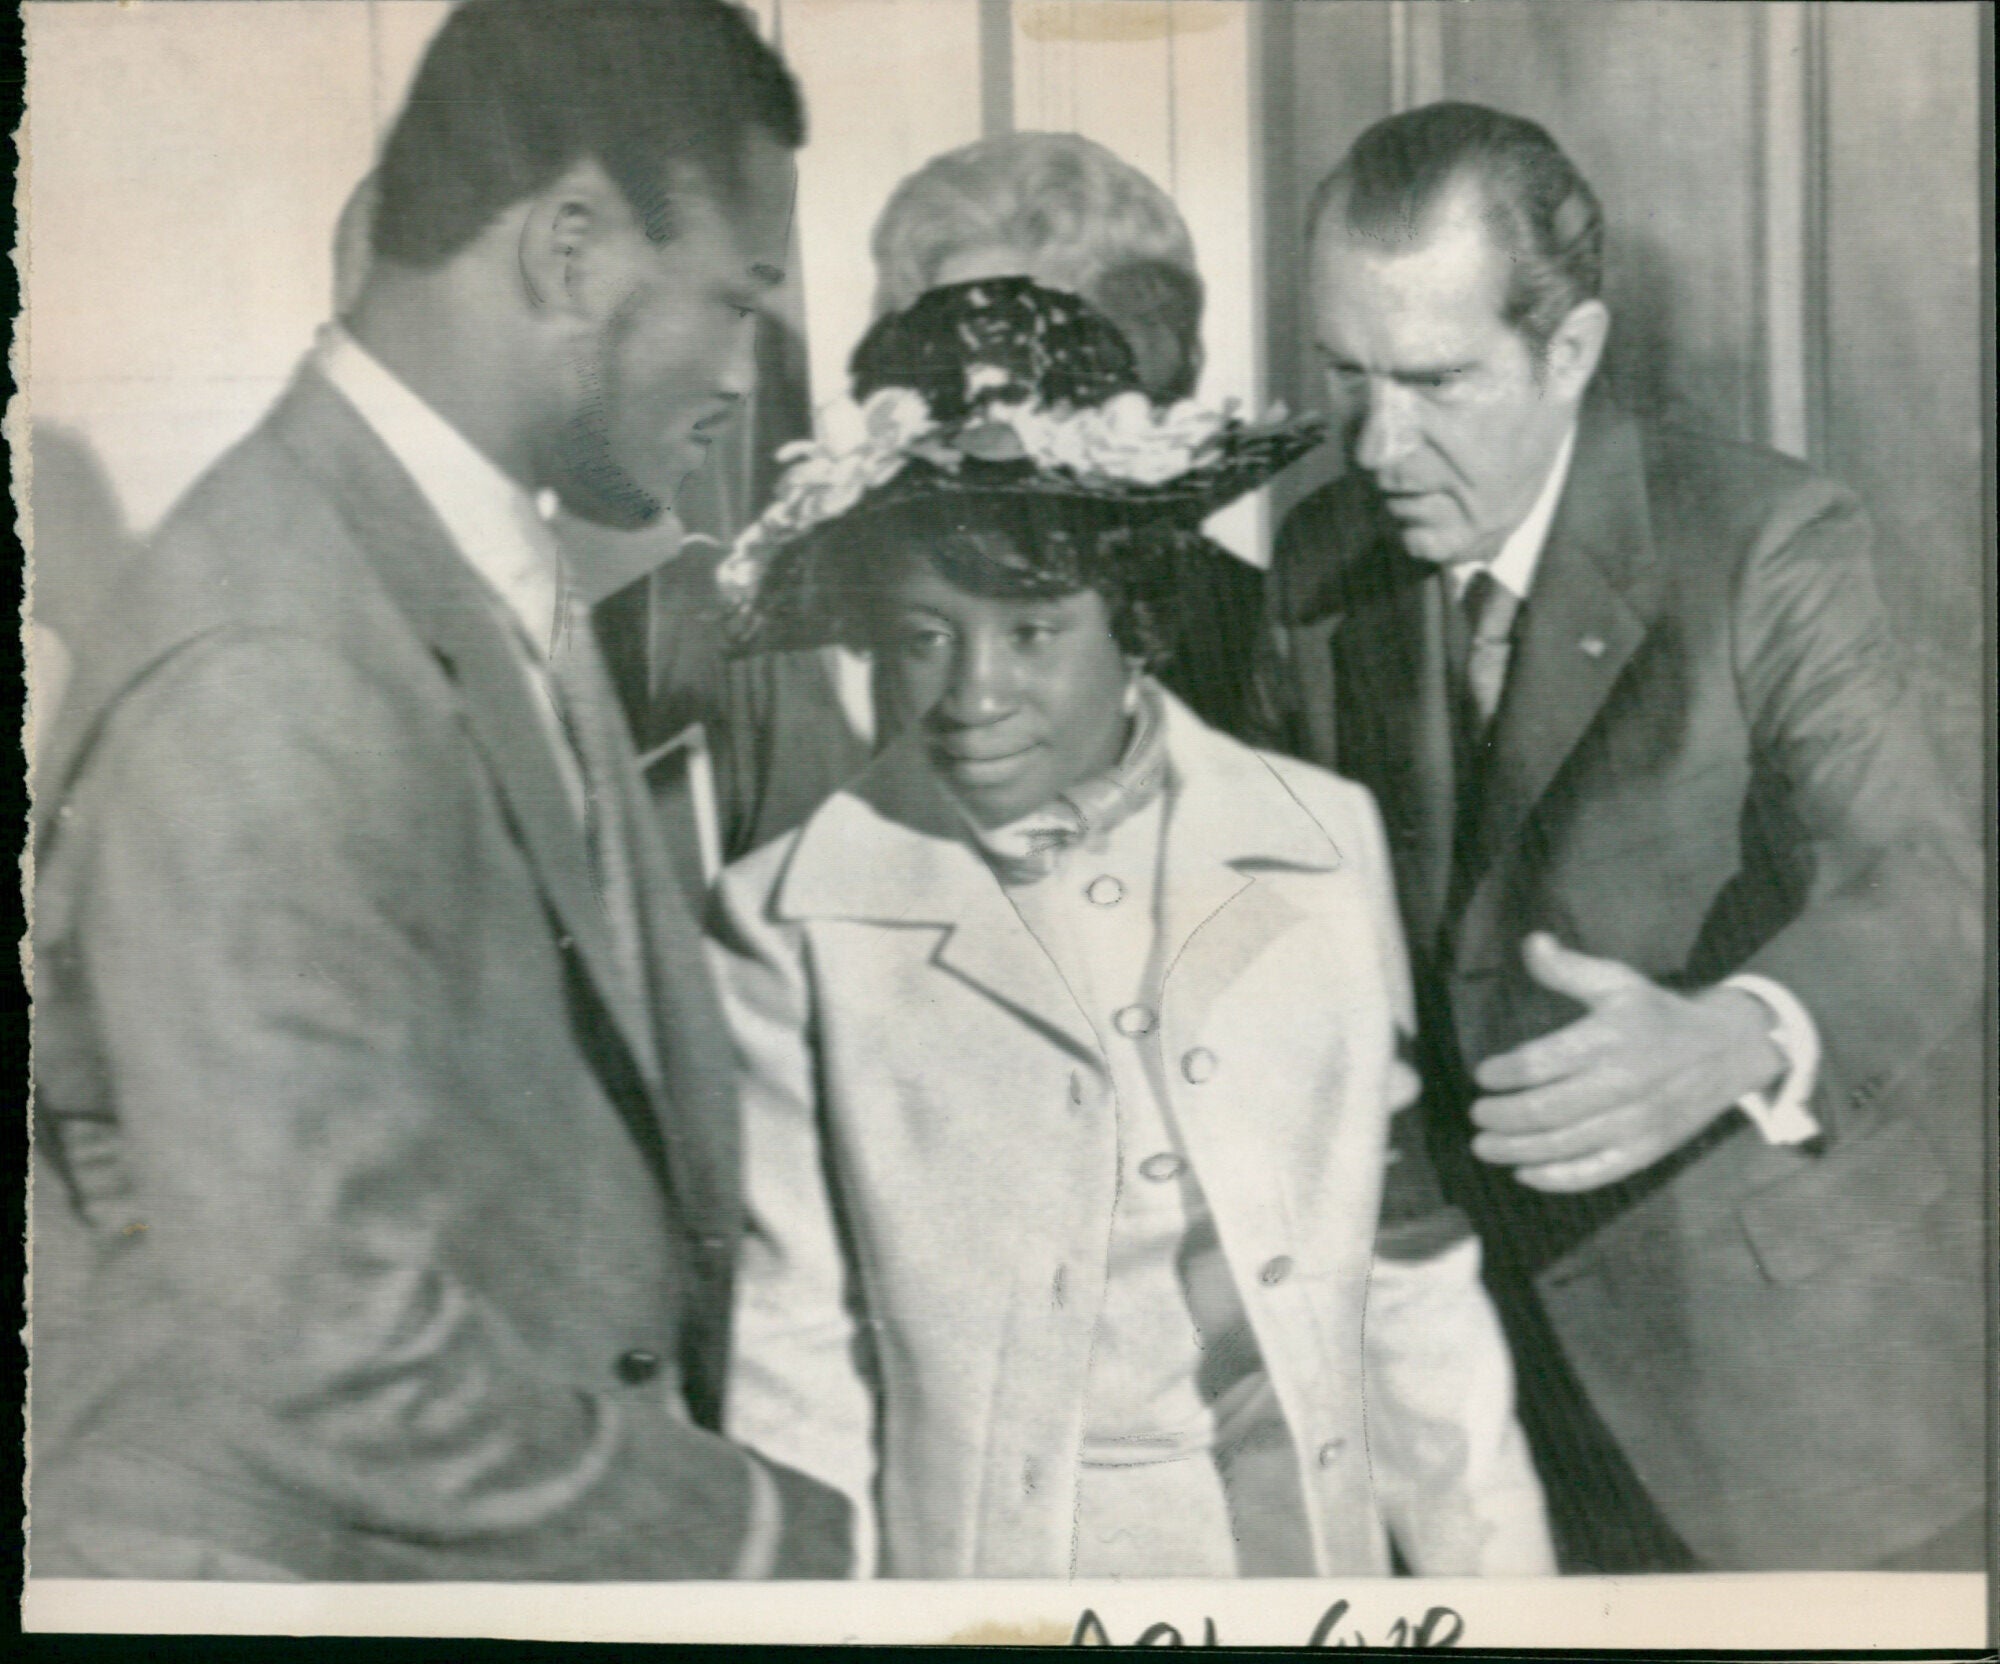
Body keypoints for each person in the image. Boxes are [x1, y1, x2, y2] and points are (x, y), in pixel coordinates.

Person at [29, 0, 849, 1580]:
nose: (748, 373)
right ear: (569, 251)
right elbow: (322, 1348)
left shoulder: (461, 563)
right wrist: (751, 1535)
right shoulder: (278, 651)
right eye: (735, 303)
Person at [709, 277, 1555, 1579]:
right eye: (924, 634)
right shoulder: (791, 917)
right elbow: (795, 1352)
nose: (973, 692)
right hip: (998, 1581)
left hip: (1289, 1561)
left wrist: (1505, 1598)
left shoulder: (1320, 843)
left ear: (1140, 621)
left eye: (1036, 631)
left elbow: (1403, 1269)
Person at [1265, 101, 1986, 1573]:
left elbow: (1926, 890)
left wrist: (1735, 1033)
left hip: (1795, 1416)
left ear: (1571, 353)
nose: (1380, 444)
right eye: (1345, 376)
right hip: (1492, 1412)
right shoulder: (1324, 563)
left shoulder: (1768, 544)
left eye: (1438, 381)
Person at [650, 132, 1271, 868]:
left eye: (1034, 382)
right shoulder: (773, 657)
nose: (982, 436)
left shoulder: (1238, 631)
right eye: (944, 373)